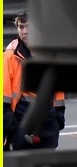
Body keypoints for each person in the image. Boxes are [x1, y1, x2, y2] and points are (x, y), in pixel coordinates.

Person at [3, 14, 66, 151]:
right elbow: (4, 97)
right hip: (20, 120)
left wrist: (58, 116)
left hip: (48, 121)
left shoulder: (51, 54)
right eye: (21, 27)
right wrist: (11, 127)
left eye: (29, 27)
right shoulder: (9, 56)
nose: (24, 31)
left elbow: (58, 89)